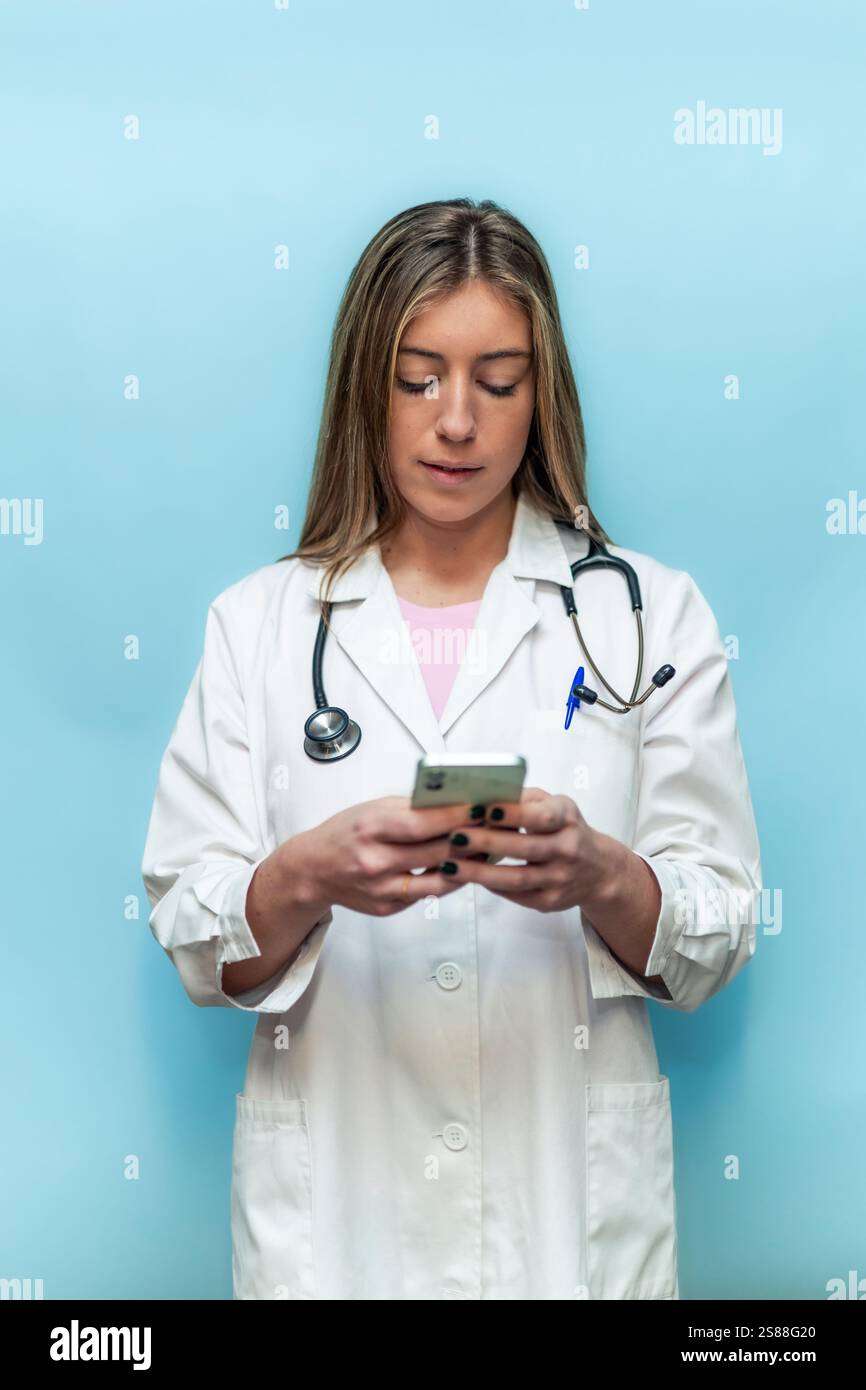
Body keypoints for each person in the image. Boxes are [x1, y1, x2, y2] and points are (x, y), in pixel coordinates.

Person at [140, 197, 761, 1301]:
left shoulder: (644, 615)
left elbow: (713, 938)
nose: (457, 421)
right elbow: (197, 945)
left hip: (564, 1221)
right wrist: (303, 878)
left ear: (542, 392)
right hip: (338, 1224)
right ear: (362, 388)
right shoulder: (259, 625)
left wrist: (602, 875)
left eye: (498, 379)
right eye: (418, 377)